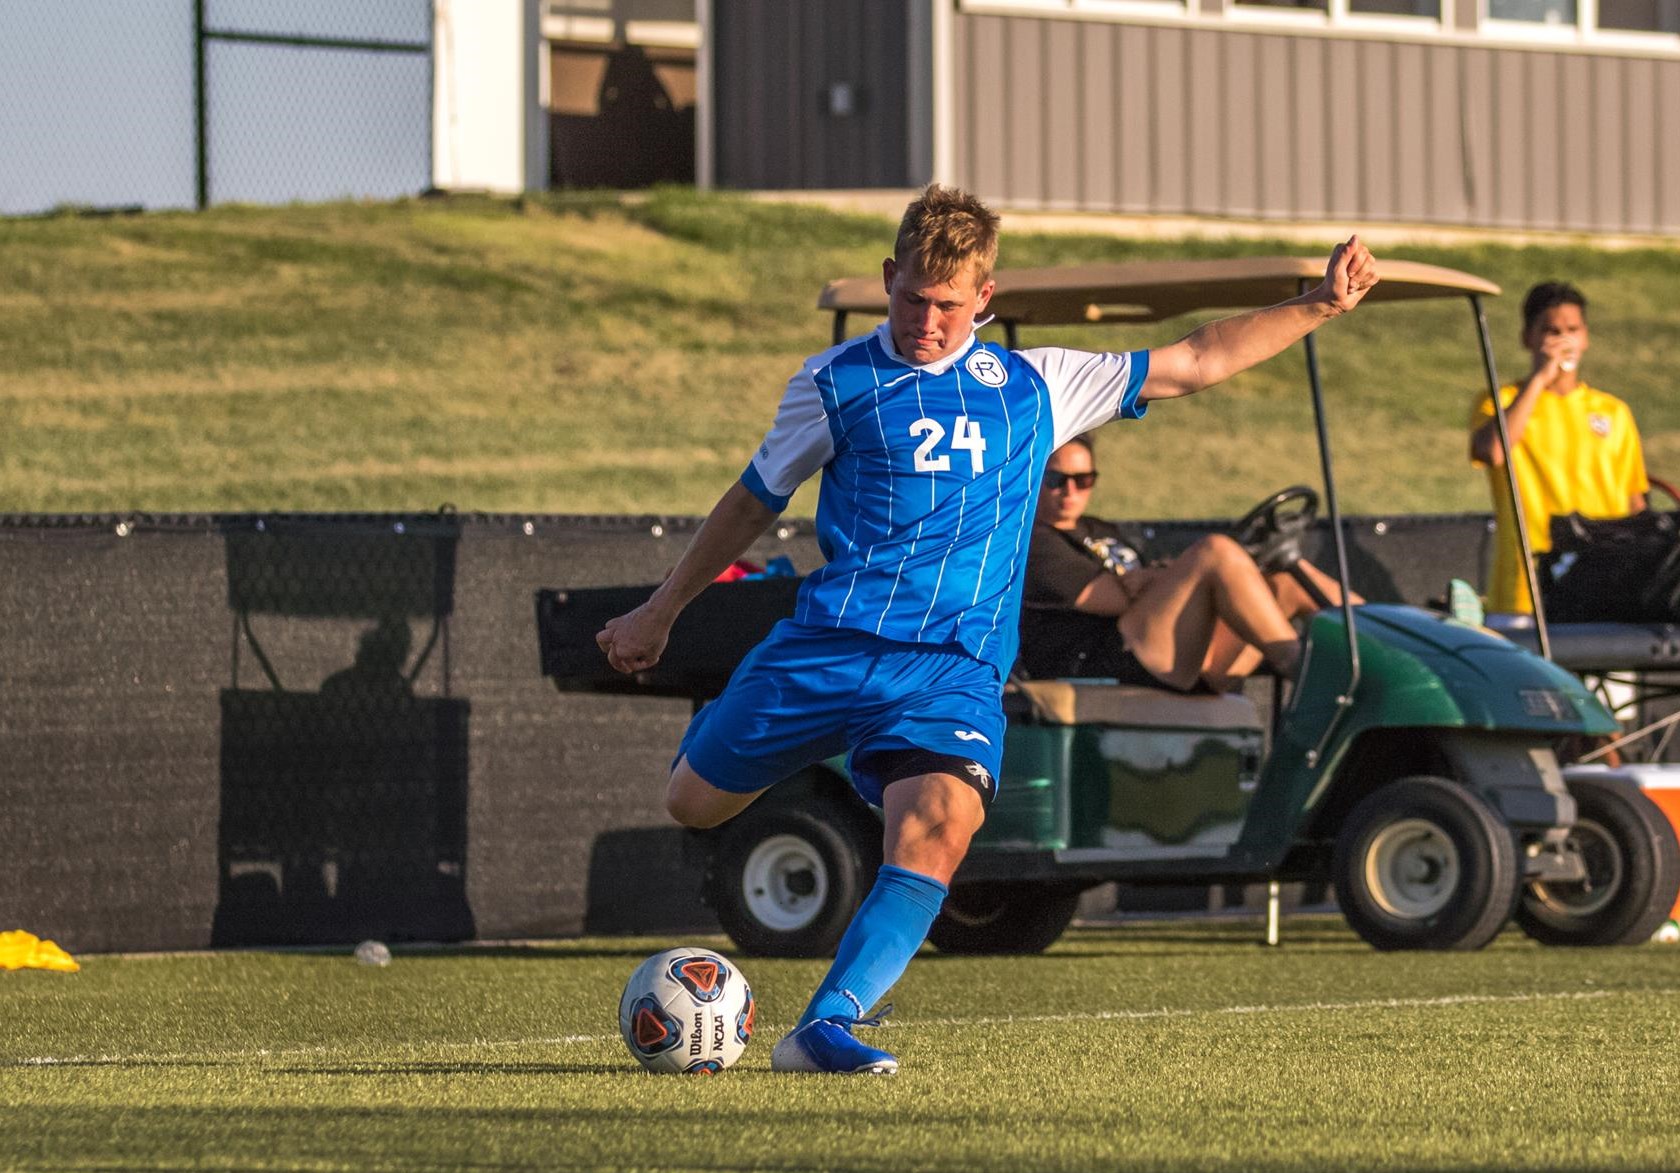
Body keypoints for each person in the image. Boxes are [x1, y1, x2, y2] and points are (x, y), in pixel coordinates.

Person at [597, 185, 1379, 1074]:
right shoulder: (834, 382)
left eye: (947, 305)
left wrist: (1319, 303)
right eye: (910, 298)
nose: (925, 320)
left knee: (940, 826)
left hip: (954, 670)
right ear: (890, 278)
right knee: (692, 802)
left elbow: (1195, 359)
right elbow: (749, 503)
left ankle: (827, 1024)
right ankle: (809, 748)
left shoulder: (1034, 383)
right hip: (832, 647)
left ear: (986, 300)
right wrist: (661, 611)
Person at [1020, 435, 1356, 693]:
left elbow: (1142, 583)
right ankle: (1302, 668)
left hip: (1154, 650)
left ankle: (1382, 646)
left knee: (1286, 581)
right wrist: (1158, 578)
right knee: (1215, 551)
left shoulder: (1101, 529)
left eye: (1083, 480)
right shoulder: (1033, 538)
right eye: (1056, 480)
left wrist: (1152, 578)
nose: (1070, 491)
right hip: (1098, 662)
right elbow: (1114, 599)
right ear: (1037, 477)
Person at [1469, 281, 1649, 614]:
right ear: (1528, 338)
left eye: (1572, 330)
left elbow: (1634, 502)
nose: (1563, 340)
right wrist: (1539, 379)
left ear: (1585, 337)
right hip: (1527, 590)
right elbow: (1492, 450)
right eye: (1551, 331)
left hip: (1604, 586)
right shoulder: (1502, 400)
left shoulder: (1613, 412)